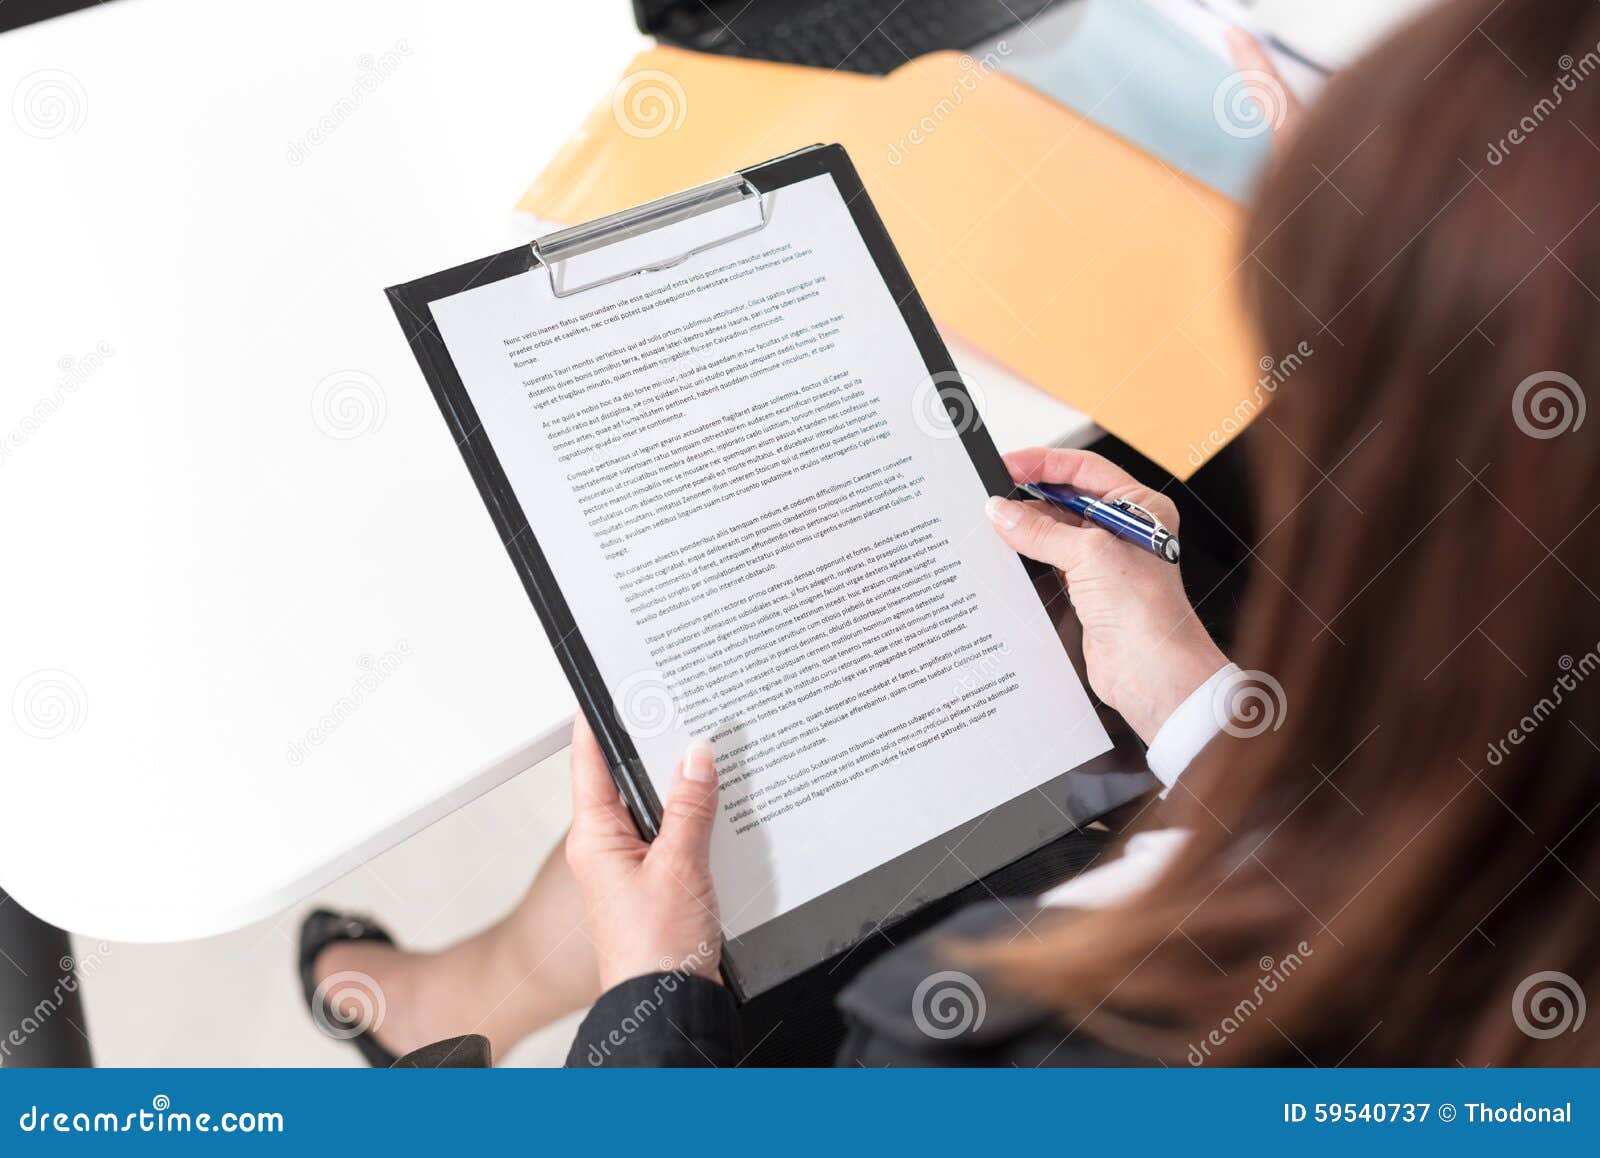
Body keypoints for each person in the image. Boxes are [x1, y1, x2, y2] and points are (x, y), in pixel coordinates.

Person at [304, 0, 1600, 1066]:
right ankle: (461, 992)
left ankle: (474, 998)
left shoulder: (1038, 1056)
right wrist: (1203, 705)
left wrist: (652, 1004)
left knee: (742, 780)